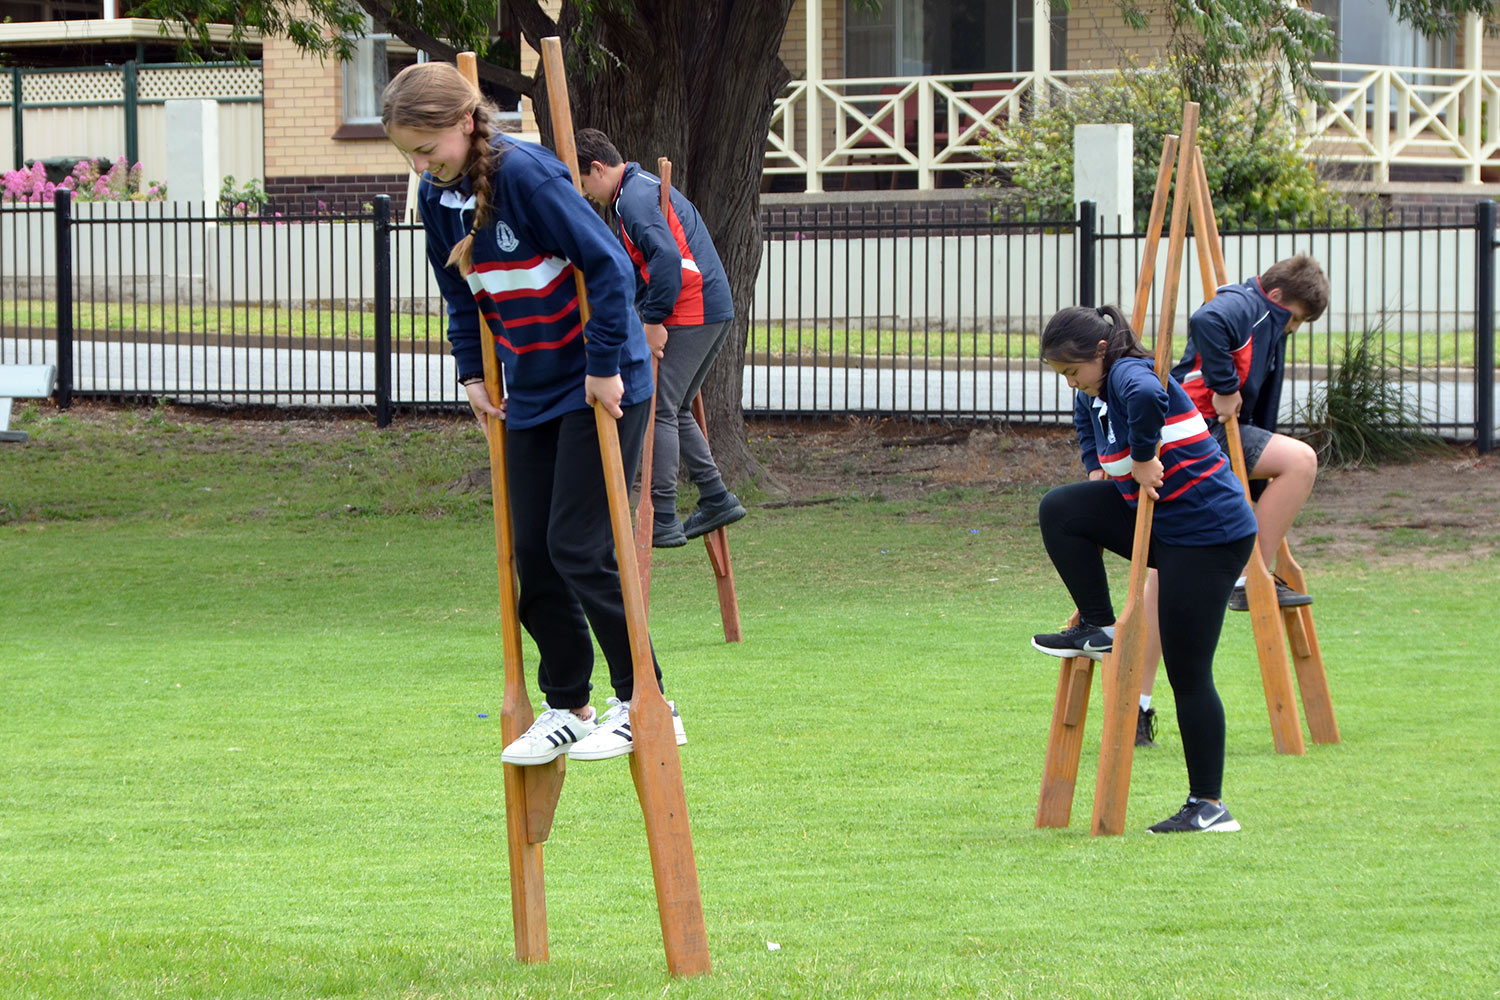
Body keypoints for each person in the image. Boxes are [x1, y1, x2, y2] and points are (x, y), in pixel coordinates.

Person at [381, 61, 685, 765]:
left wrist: (606, 365)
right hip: (530, 388)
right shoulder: (436, 194)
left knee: (579, 546)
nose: (421, 164)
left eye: (428, 149)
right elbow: (461, 294)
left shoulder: (527, 175)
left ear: (465, 122)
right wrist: (468, 370)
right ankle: (567, 705)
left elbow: (608, 264)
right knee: (533, 554)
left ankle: (649, 704)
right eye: (409, 155)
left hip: (595, 380)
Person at [1032, 305, 1258, 833]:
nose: (1072, 385)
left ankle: (1209, 806)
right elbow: (1089, 425)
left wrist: (1140, 456)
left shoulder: (1129, 372)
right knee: (1062, 509)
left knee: (1187, 670)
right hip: (1162, 525)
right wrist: (1097, 465)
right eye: (1062, 376)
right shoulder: (1094, 391)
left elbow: (1150, 397)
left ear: (1100, 353)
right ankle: (1098, 626)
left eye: (1073, 372)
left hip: (1209, 535)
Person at [1135, 255, 1330, 746]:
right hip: (1200, 435)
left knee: (1162, 578)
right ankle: (1249, 573)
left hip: (1188, 440)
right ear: (1280, 298)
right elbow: (1206, 320)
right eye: (1297, 320)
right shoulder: (1247, 304)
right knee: (1301, 461)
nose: (1293, 330)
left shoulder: (1264, 315)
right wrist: (1224, 390)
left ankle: (1136, 706)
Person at [573, 128, 745, 548]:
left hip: (693, 309)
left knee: (657, 409)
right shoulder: (636, 191)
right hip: (707, 307)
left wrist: (652, 320)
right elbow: (640, 267)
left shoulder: (631, 199)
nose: (585, 195)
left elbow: (666, 258)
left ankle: (663, 516)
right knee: (677, 407)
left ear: (598, 168)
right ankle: (715, 495)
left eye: (583, 184)